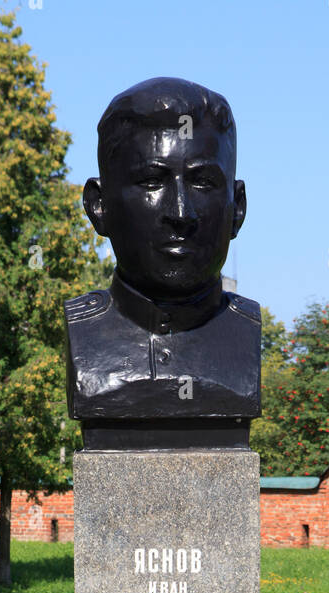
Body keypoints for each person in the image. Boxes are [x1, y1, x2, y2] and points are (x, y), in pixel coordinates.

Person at [65, 76, 261, 447]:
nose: (181, 213)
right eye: (152, 181)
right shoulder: (84, 336)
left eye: (203, 182)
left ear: (238, 208)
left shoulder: (245, 336)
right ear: (99, 206)